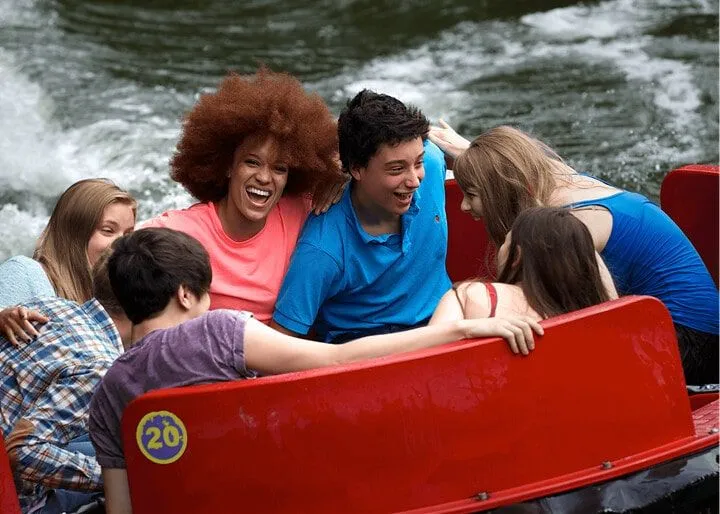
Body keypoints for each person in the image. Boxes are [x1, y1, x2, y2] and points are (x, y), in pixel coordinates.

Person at [88, 227, 543, 514]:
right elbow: (339, 360)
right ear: (186, 295)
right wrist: (458, 329)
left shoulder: (108, 394)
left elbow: (122, 507)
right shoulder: (217, 333)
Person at [430, 123, 719, 384]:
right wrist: (471, 151)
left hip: (689, 345)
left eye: (473, 195)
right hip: (694, 329)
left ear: (500, 191)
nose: (465, 207)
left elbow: (591, 313)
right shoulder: (558, 179)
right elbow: (516, 165)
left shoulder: (571, 226)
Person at [142, 68, 345, 323]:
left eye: (279, 168)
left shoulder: (305, 211)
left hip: (292, 354)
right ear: (227, 166)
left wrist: (340, 183)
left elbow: (367, 184)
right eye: (252, 162)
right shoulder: (181, 231)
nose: (264, 177)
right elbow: (114, 252)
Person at [272, 90, 451, 342]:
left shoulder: (430, 163)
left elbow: (469, 161)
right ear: (356, 168)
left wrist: (470, 150)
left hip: (444, 324)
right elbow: (280, 342)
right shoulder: (322, 249)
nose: (414, 180)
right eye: (396, 169)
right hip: (366, 352)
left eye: (417, 162)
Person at [1, 251, 131, 514]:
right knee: (131, 467)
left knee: (119, 449)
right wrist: (112, 481)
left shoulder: (53, 306)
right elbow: (21, 452)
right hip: (16, 499)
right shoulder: (101, 367)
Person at [430, 207, 613, 347]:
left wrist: (464, 328)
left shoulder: (472, 296)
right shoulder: (600, 315)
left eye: (505, 242)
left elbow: (423, 358)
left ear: (516, 256)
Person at [0, 178, 136, 344]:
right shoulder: (25, 272)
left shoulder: (122, 296)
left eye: (128, 234)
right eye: (108, 230)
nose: (121, 242)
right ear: (75, 233)